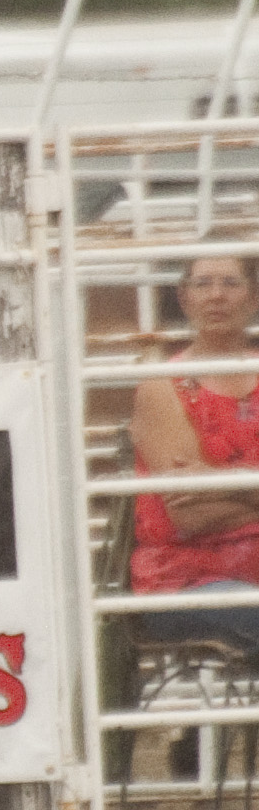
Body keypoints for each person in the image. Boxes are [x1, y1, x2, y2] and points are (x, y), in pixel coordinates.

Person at [131, 253, 259, 657]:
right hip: (190, 579)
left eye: (231, 283)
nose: (217, 295)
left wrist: (220, 483)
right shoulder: (162, 386)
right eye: (203, 284)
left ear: (254, 297)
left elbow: (205, 499)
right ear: (184, 298)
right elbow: (189, 515)